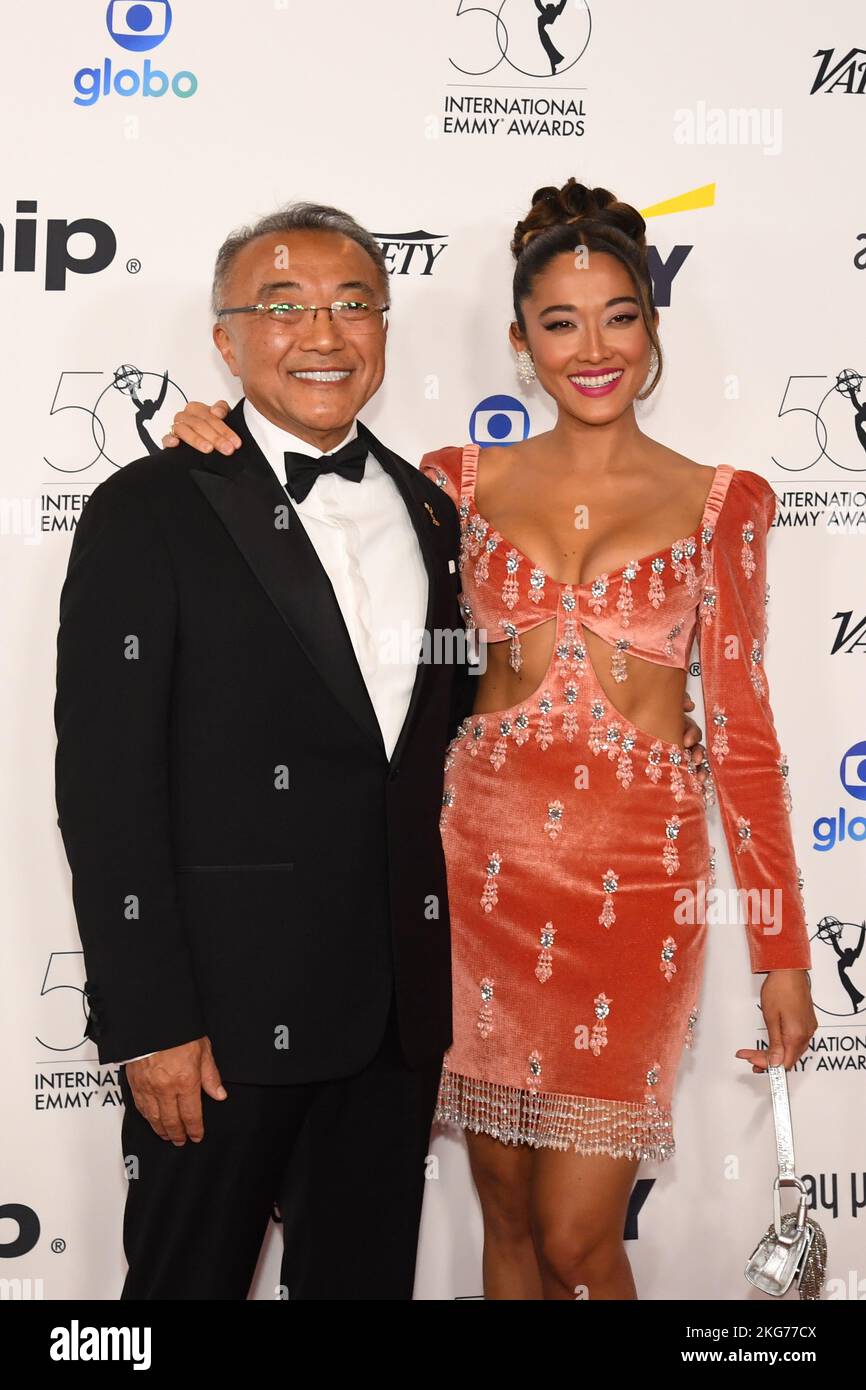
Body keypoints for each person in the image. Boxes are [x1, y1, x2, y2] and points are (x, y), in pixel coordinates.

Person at [164, 187, 724, 1303]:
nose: (591, 345)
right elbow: (290, 493)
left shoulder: (714, 499)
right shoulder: (447, 486)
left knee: (576, 1237)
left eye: (618, 315)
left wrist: (788, 954)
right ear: (519, 343)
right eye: (558, 321)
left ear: (653, 329)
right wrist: (206, 433)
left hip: (631, 895)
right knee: (504, 1224)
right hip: (475, 888)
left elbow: (746, 739)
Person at [54, 202, 474, 1300]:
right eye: (280, 306)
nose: (322, 334)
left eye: (351, 305)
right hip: (217, 1034)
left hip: (389, 1027)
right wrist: (150, 1021)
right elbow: (107, 789)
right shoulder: (149, 508)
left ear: (385, 327)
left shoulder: (434, 513)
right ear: (224, 339)